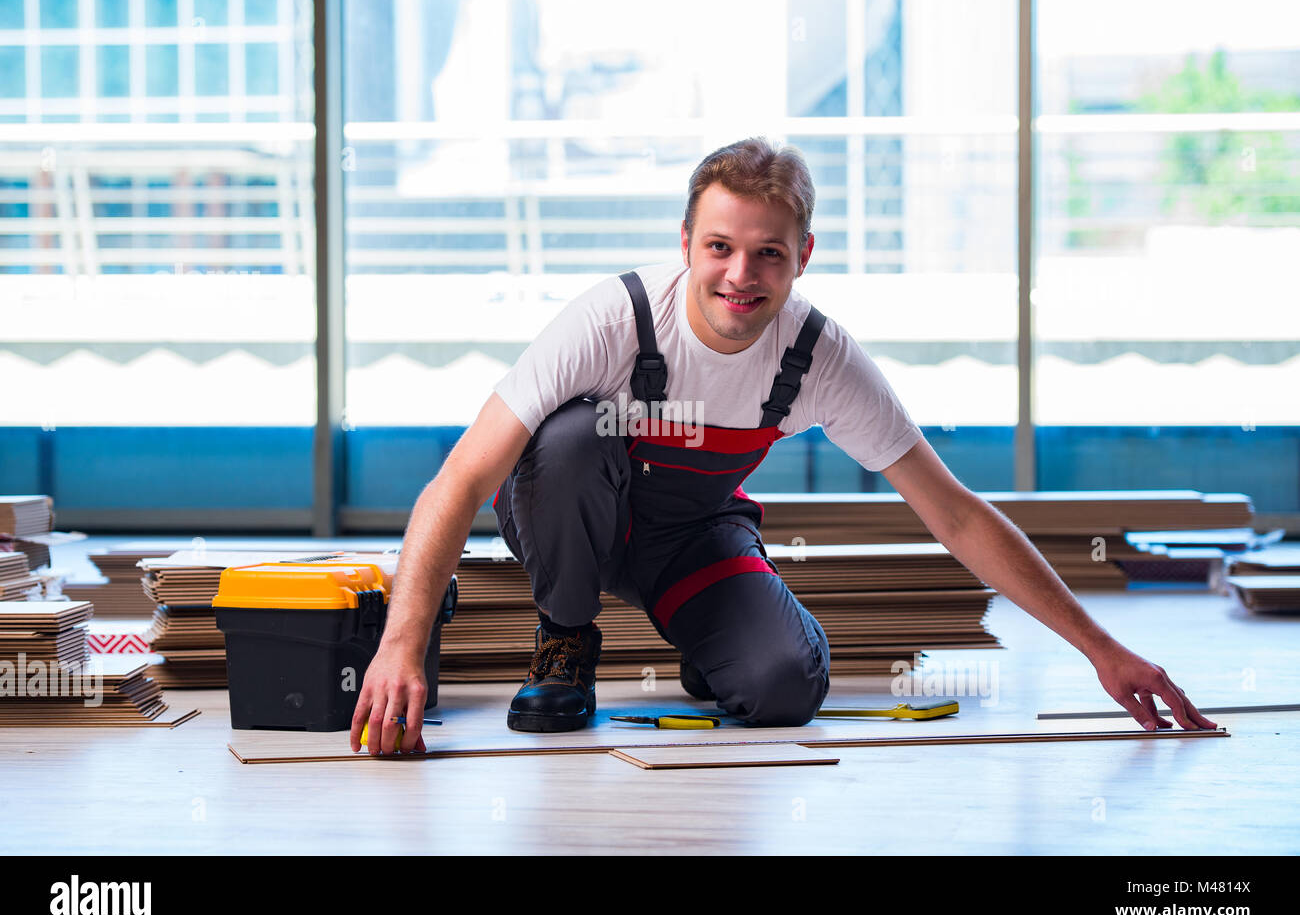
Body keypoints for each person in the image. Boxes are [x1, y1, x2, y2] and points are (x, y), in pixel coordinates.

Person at [350, 137, 1216, 753]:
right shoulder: (612, 319)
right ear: (685, 243)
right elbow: (461, 479)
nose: (740, 275)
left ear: (802, 255)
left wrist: (1104, 648)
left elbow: (955, 514)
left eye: (768, 254)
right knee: (571, 437)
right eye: (719, 247)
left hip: (689, 536)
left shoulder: (819, 359)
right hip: (577, 513)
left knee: (779, 690)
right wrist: (399, 643)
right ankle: (566, 640)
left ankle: (715, 641)